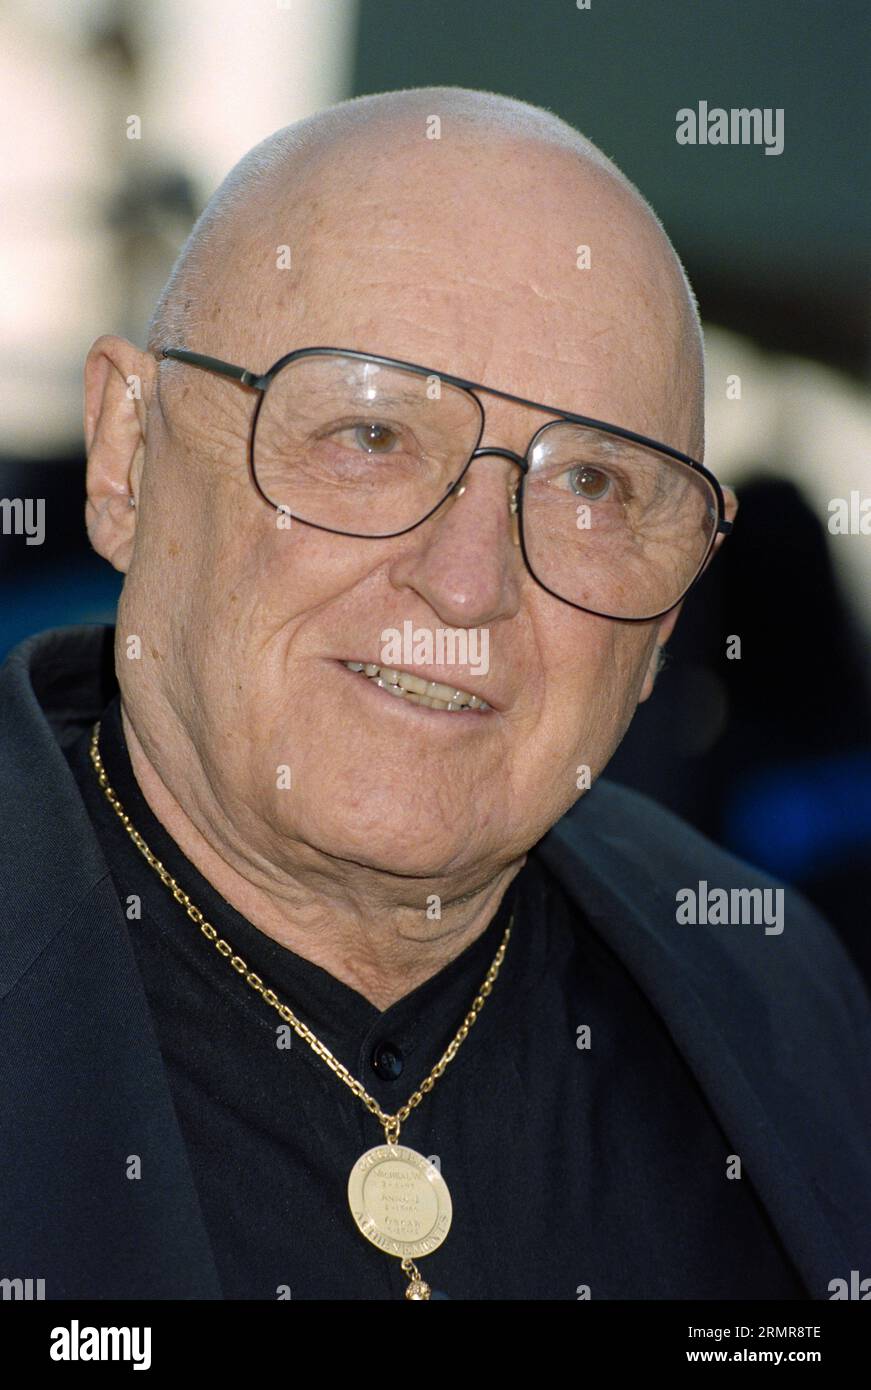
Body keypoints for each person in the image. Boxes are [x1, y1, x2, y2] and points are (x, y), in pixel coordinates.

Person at [1, 86, 867, 1302]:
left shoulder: (782, 1005)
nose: (467, 585)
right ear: (127, 455)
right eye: (368, 434)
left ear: (673, 602)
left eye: (593, 485)